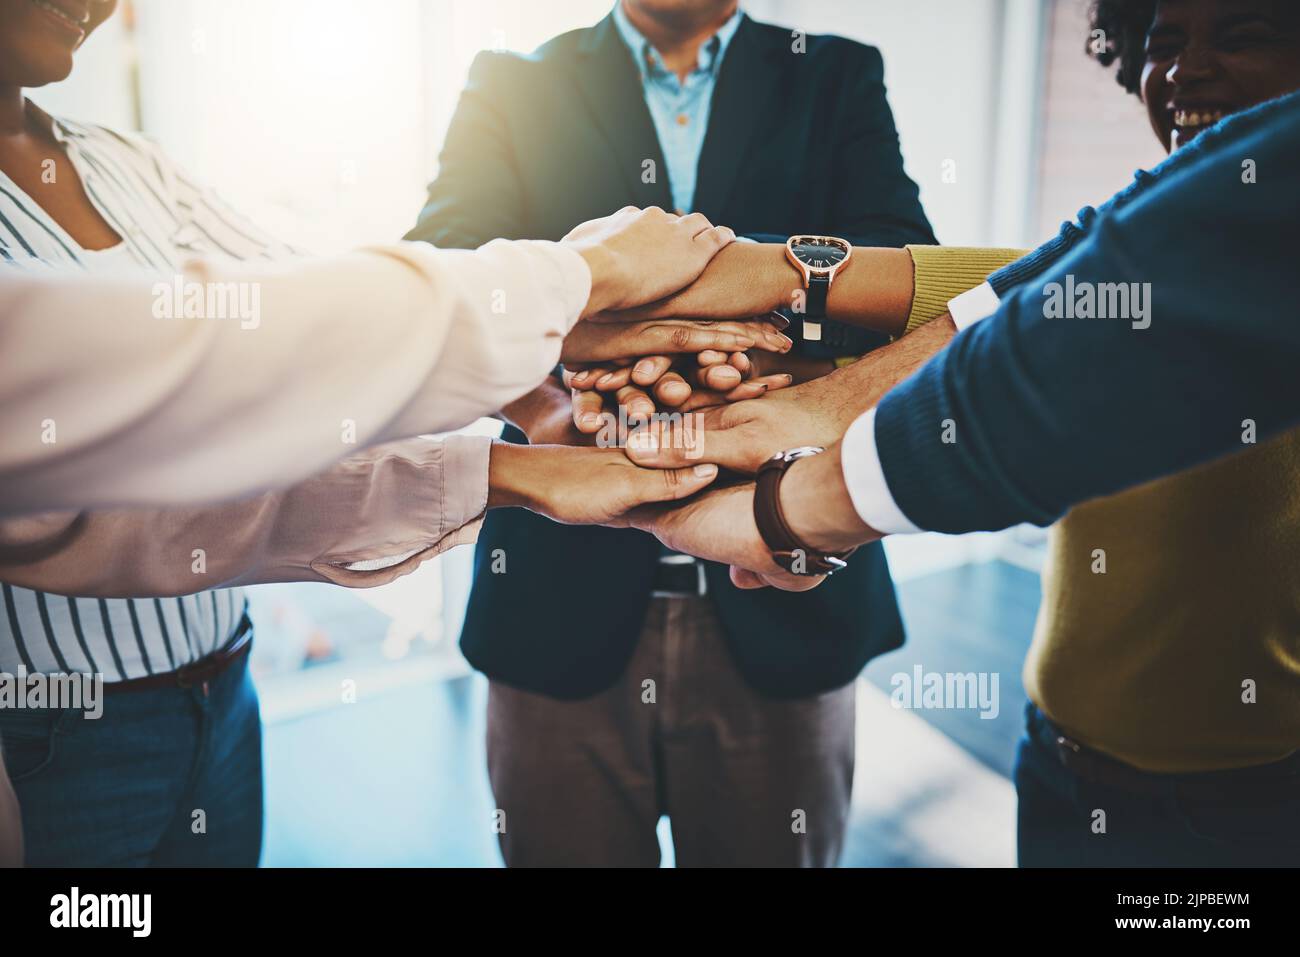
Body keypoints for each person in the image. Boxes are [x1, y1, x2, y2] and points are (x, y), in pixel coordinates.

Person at [0, 0, 745, 866]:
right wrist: (580, 287)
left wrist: (534, 425)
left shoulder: (123, 162)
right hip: (51, 733)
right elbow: (170, 424)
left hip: (222, 692)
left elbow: (313, 347)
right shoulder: (517, 81)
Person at [629, 46, 1300, 866]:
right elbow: (1057, 277)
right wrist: (771, 293)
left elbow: (1077, 344)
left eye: (1247, 28)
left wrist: (791, 507)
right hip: (1058, 758)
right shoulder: (1145, 242)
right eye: (1160, 44)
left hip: (1248, 804)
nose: (1188, 67)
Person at [406, 0, 936, 867]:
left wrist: (720, 340)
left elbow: (902, 269)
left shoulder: (836, 71)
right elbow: (448, 272)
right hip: (554, 592)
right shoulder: (512, 83)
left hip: (787, 583)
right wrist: (555, 415)